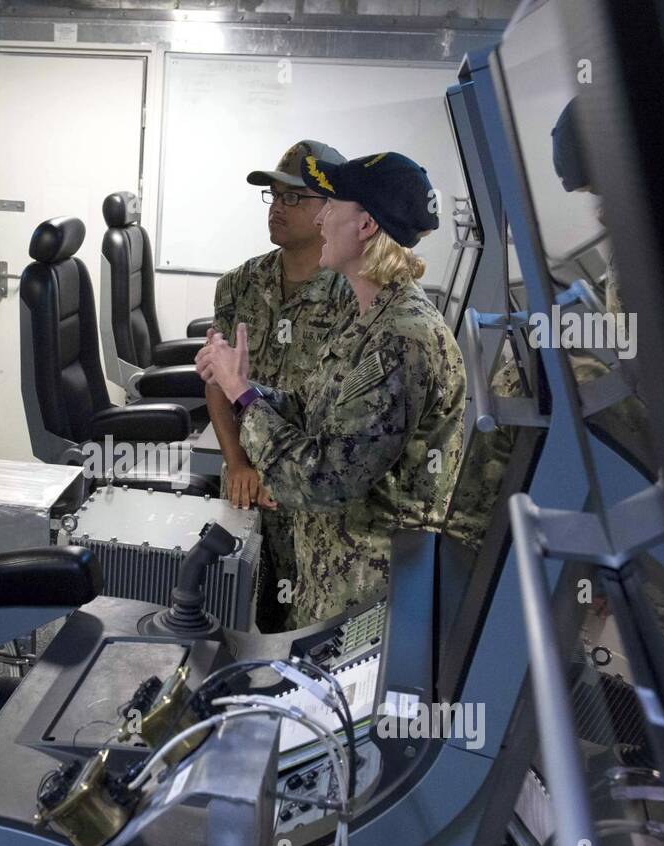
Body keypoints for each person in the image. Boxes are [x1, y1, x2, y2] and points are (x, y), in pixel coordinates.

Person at [196, 151, 466, 627]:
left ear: (364, 226)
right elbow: (310, 412)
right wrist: (242, 382)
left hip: (366, 599)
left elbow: (326, 480)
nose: (321, 217)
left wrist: (243, 396)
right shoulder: (371, 316)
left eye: (331, 206)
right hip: (330, 581)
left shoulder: (402, 338)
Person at [208, 140, 357, 631]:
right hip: (252, 485)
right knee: (251, 617)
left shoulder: (354, 296)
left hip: (318, 495)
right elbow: (217, 378)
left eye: (294, 198)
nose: (278, 208)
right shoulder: (238, 284)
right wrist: (236, 463)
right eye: (274, 196)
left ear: (328, 210)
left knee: (317, 634)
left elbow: (346, 417)